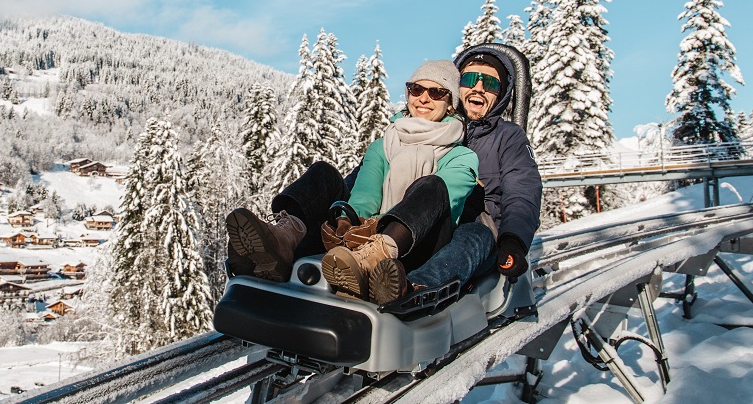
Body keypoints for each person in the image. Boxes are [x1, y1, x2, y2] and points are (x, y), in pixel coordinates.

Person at [225, 61, 479, 306]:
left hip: (421, 243)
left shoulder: (462, 156)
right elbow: (365, 195)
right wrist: (348, 222)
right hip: (369, 238)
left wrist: (382, 237)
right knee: (323, 173)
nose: (424, 98)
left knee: (432, 185)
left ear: (450, 104)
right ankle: (282, 239)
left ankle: (377, 260)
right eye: (417, 89)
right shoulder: (383, 145)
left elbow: (448, 203)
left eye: (436, 92)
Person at [408, 44, 543, 292]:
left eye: (490, 84)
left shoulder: (508, 137)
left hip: (479, 232)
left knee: (473, 236)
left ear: (501, 94)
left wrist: (513, 239)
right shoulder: (434, 125)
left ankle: (415, 287)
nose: (478, 87)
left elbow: (522, 190)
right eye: (470, 79)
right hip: (428, 225)